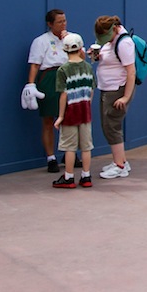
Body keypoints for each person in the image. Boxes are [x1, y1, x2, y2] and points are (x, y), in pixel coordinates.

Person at [93, 15, 137, 179]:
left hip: (117, 89)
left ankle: (119, 166)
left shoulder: (124, 43)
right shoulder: (111, 42)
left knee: (112, 126)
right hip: (107, 88)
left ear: (114, 29)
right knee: (108, 125)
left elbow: (131, 72)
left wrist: (125, 97)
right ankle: (121, 161)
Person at [26, 8, 68, 173]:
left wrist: (68, 42)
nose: (63, 24)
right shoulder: (41, 41)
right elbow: (35, 64)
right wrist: (30, 84)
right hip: (49, 78)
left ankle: (69, 152)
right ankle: (51, 157)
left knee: (69, 119)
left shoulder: (71, 38)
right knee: (48, 120)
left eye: (64, 20)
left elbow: (80, 57)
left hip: (67, 75)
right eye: (59, 21)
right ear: (50, 24)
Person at [51, 32, 96, 188]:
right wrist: (87, 104)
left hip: (70, 113)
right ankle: (86, 176)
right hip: (85, 112)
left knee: (69, 147)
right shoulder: (88, 67)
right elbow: (91, 89)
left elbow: (63, 95)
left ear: (65, 49)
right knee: (86, 146)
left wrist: (61, 116)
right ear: (81, 47)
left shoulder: (63, 70)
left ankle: (69, 177)